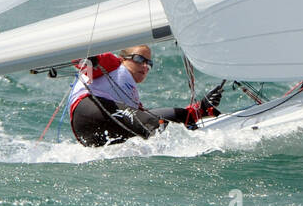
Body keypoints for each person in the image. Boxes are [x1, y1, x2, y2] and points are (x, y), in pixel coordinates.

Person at [68, 46, 222, 147]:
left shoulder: (130, 94)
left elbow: (143, 115)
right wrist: (90, 58)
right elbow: (86, 61)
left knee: (178, 115)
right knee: (152, 124)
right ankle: (198, 148)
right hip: (87, 111)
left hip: (100, 133)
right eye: (140, 59)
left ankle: (199, 131)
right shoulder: (113, 64)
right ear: (123, 59)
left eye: (149, 64)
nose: (145, 67)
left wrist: (200, 109)